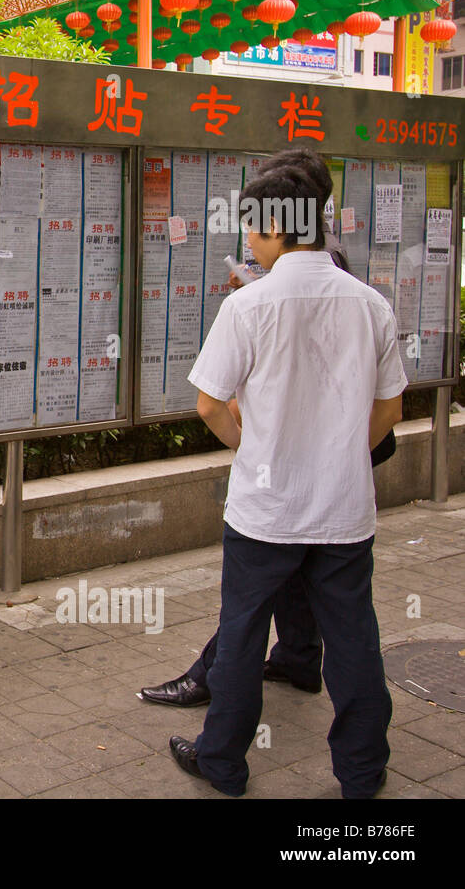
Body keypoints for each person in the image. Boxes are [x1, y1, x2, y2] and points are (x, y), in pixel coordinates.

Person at [168, 160, 405, 798]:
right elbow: (390, 409)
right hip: (344, 511)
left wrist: (257, 450)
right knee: (354, 636)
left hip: (265, 512)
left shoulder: (249, 305)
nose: (248, 240)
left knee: (243, 635)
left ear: (277, 225)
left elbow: (210, 405)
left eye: (252, 226)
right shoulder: (369, 303)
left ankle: (222, 762)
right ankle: (361, 771)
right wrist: (342, 454)